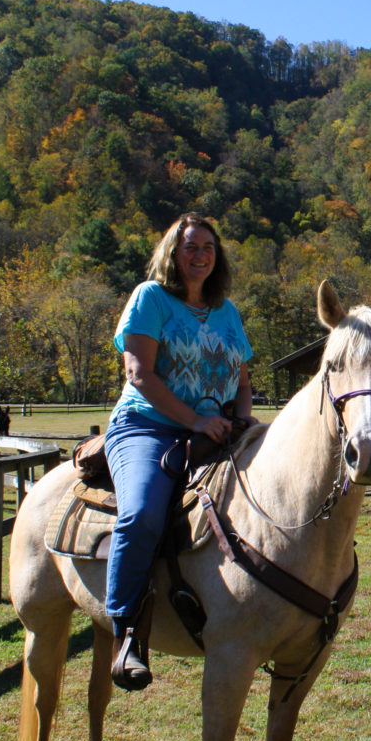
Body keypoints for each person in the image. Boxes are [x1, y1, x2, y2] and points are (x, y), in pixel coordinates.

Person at [105, 213, 255, 691]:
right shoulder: (150, 298)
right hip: (147, 427)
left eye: (209, 247)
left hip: (216, 430)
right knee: (143, 512)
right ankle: (128, 631)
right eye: (191, 246)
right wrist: (193, 420)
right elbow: (139, 373)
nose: (200, 255)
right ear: (173, 251)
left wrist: (243, 420)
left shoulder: (227, 311)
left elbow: (244, 381)